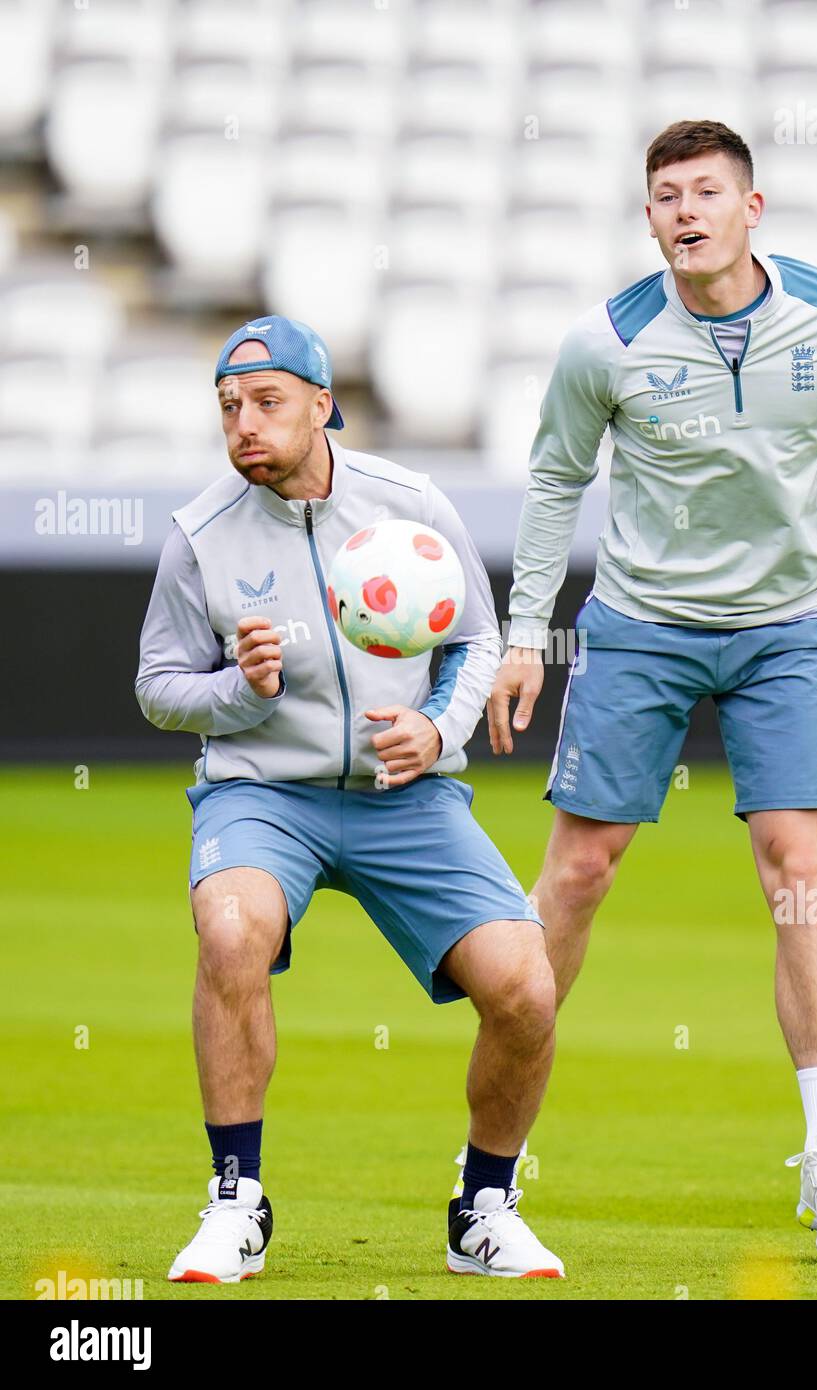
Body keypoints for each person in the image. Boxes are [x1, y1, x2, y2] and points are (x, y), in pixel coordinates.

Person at [487, 121, 817, 1261]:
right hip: (638, 627)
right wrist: (522, 635)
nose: (683, 212)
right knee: (578, 869)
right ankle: (490, 1176)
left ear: (753, 207)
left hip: (786, 629)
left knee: (800, 869)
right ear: (646, 219)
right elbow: (552, 481)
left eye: (704, 192)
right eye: (663, 197)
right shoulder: (606, 340)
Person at [136, 315, 563, 1281]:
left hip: (403, 796)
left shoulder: (410, 504)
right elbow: (158, 685)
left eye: (267, 403)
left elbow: (476, 642)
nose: (244, 424)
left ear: (323, 407)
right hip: (261, 794)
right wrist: (240, 693)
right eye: (229, 407)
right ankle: (236, 1200)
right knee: (231, 930)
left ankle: (484, 1206)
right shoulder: (199, 535)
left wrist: (439, 732)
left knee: (527, 987)